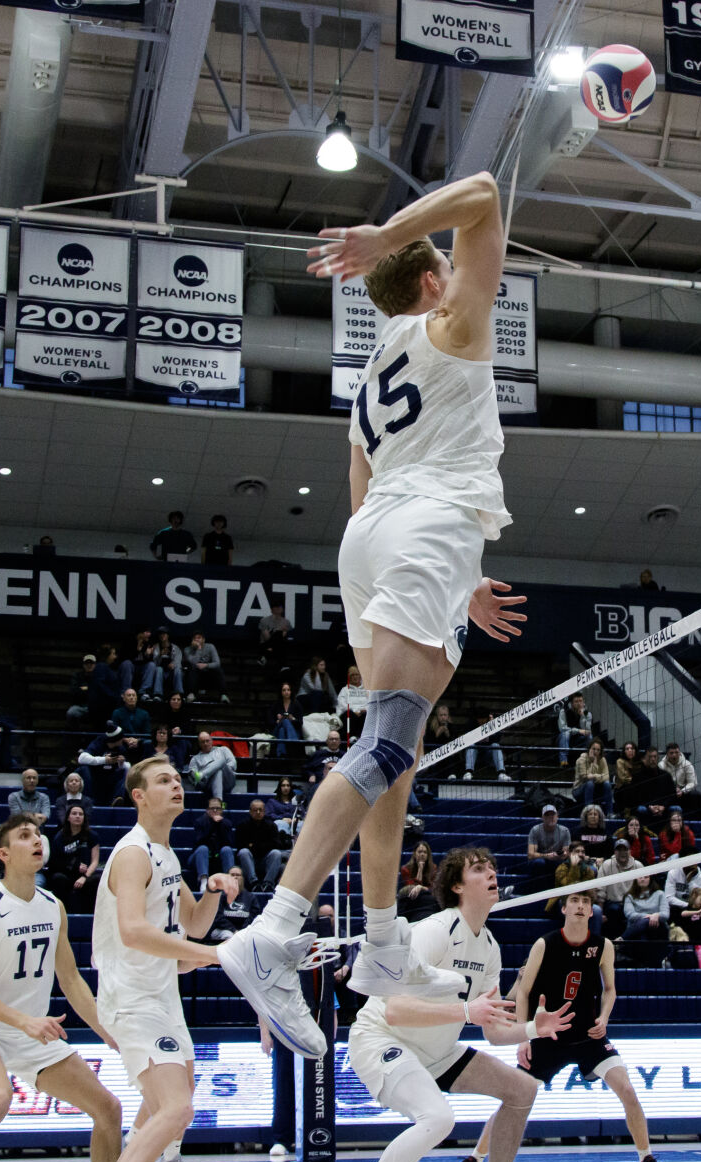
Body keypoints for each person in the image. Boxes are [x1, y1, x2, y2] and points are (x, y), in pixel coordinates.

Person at [215, 173, 528, 1060]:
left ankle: (385, 940)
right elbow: (483, 192)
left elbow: (364, 492)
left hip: (373, 536)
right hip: (425, 529)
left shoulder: (372, 371)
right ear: (433, 278)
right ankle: (274, 929)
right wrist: (386, 233)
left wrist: (452, 579)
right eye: (444, 267)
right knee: (388, 742)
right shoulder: (452, 325)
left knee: (400, 746)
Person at [347, 846, 568, 1162]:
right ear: (457, 886)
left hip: (437, 1052)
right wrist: (466, 1012)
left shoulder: (490, 948)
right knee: (438, 1119)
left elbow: (493, 1032)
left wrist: (533, 1029)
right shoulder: (436, 930)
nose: (491, 873)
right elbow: (395, 1010)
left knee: (523, 1089)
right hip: (381, 1040)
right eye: (479, 869)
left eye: (492, 867)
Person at [0, 815, 122, 1162]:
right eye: (25, 836)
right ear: (4, 854)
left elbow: (70, 979)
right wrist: (24, 1021)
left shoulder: (53, 905)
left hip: (32, 1033)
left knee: (109, 1109)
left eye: (39, 835)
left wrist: (106, 1030)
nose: (37, 840)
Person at [94, 757, 245, 1162]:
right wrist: (212, 954)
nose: (177, 785)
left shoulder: (166, 855)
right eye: (164, 781)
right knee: (176, 1108)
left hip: (161, 995)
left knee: (176, 1101)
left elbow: (194, 924)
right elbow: (132, 931)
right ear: (139, 796)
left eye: (178, 780)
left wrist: (212, 889)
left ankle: (141, 1156)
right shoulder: (133, 853)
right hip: (131, 997)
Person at [452, 891, 666, 1162]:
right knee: (514, 1101)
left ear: (591, 911)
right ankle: (475, 1159)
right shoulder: (545, 943)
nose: (581, 906)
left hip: (588, 1036)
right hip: (547, 1037)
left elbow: (610, 989)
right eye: (575, 901)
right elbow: (523, 992)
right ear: (563, 909)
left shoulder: (602, 946)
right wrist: (523, 1038)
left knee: (627, 1089)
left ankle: (647, 1160)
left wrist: (604, 1018)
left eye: (586, 902)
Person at [47, 804, 100, 914]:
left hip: (84, 875)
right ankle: (62, 914)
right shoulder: (59, 837)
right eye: (74, 813)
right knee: (58, 878)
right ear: (68, 817)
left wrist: (84, 877)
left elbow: (95, 861)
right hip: (67, 874)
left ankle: (90, 916)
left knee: (97, 880)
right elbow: (55, 862)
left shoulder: (92, 835)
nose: (77, 816)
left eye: (81, 814)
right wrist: (75, 865)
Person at [188, 731, 238, 802]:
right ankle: (219, 802)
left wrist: (215, 768)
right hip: (208, 784)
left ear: (212, 741)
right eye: (202, 742)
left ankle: (202, 774)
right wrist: (214, 770)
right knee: (218, 771)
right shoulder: (195, 759)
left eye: (207, 741)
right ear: (199, 744)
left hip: (227, 780)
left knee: (222, 761)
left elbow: (233, 764)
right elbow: (193, 776)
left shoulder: (223, 750)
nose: (205, 743)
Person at [183, 633, 227, 702]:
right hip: (195, 675)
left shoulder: (210, 647)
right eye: (194, 638)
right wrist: (198, 649)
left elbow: (217, 663)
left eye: (199, 638)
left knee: (218, 670)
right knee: (191, 669)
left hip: (208, 674)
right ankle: (191, 694)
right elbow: (193, 663)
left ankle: (223, 695)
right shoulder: (187, 649)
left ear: (203, 640)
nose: (196, 639)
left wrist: (206, 665)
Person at [575, 739, 612, 813]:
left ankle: (610, 813)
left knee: (607, 784)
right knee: (590, 783)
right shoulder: (581, 760)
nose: (596, 751)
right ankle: (588, 812)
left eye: (598, 750)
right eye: (593, 749)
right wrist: (594, 763)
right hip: (579, 789)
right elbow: (585, 777)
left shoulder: (602, 760)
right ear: (589, 749)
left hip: (596, 788)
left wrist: (594, 776)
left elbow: (607, 776)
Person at [557, 694, 593, 767]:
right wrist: (578, 731)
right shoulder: (564, 711)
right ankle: (563, 761)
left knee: (589, 736)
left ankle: (587, 760)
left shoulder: (588, 714)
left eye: (580, 701)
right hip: (564, 739)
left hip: (578, 740)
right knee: (565, 734)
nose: (579, 703)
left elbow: (587, 730)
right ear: (572, 703)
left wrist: (582, 716)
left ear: (583, 702)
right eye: (576, 701)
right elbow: (562, 728)